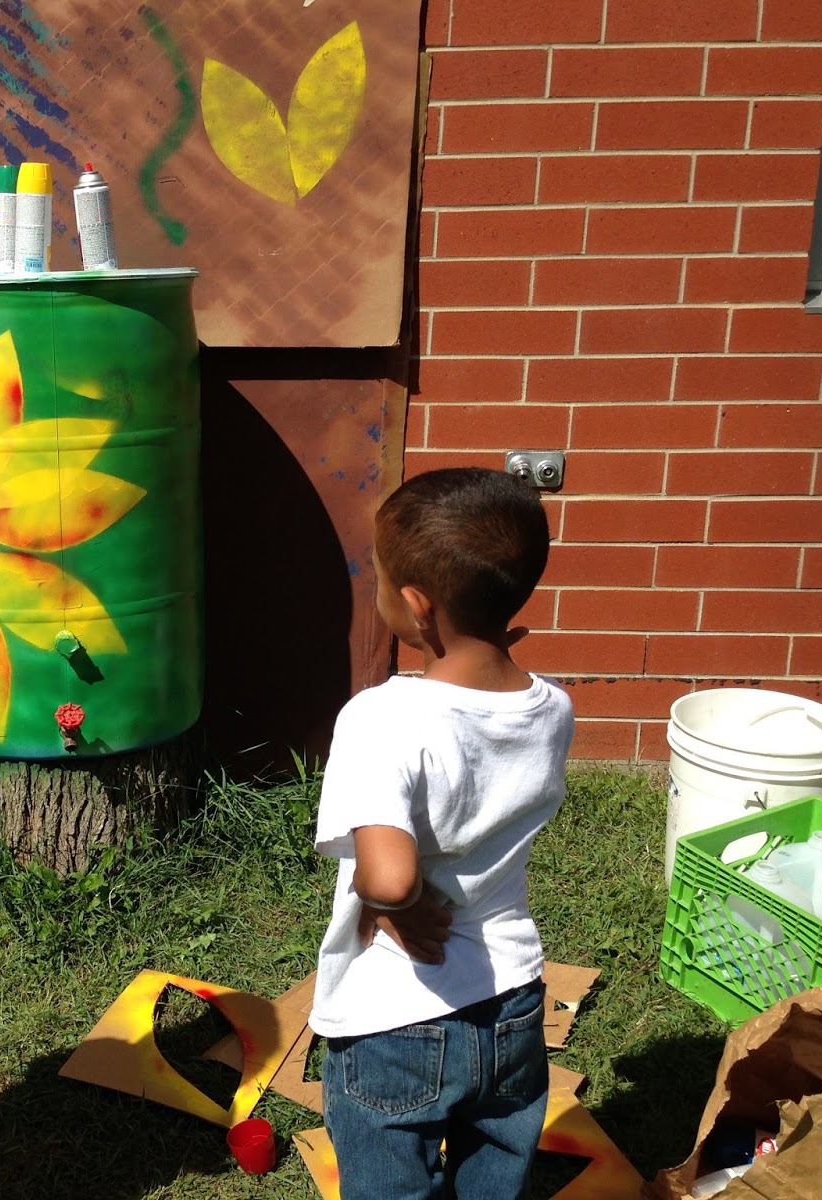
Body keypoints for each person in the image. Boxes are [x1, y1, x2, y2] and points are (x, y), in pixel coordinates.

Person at [309, 467, 574, 1200]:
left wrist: (398, 902)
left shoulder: (380, 717)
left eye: (381, 579)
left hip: (398, 1015)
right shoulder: (552, 708)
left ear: (418, 608)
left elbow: (389, 875)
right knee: (497, 1170)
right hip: (513, 1001)